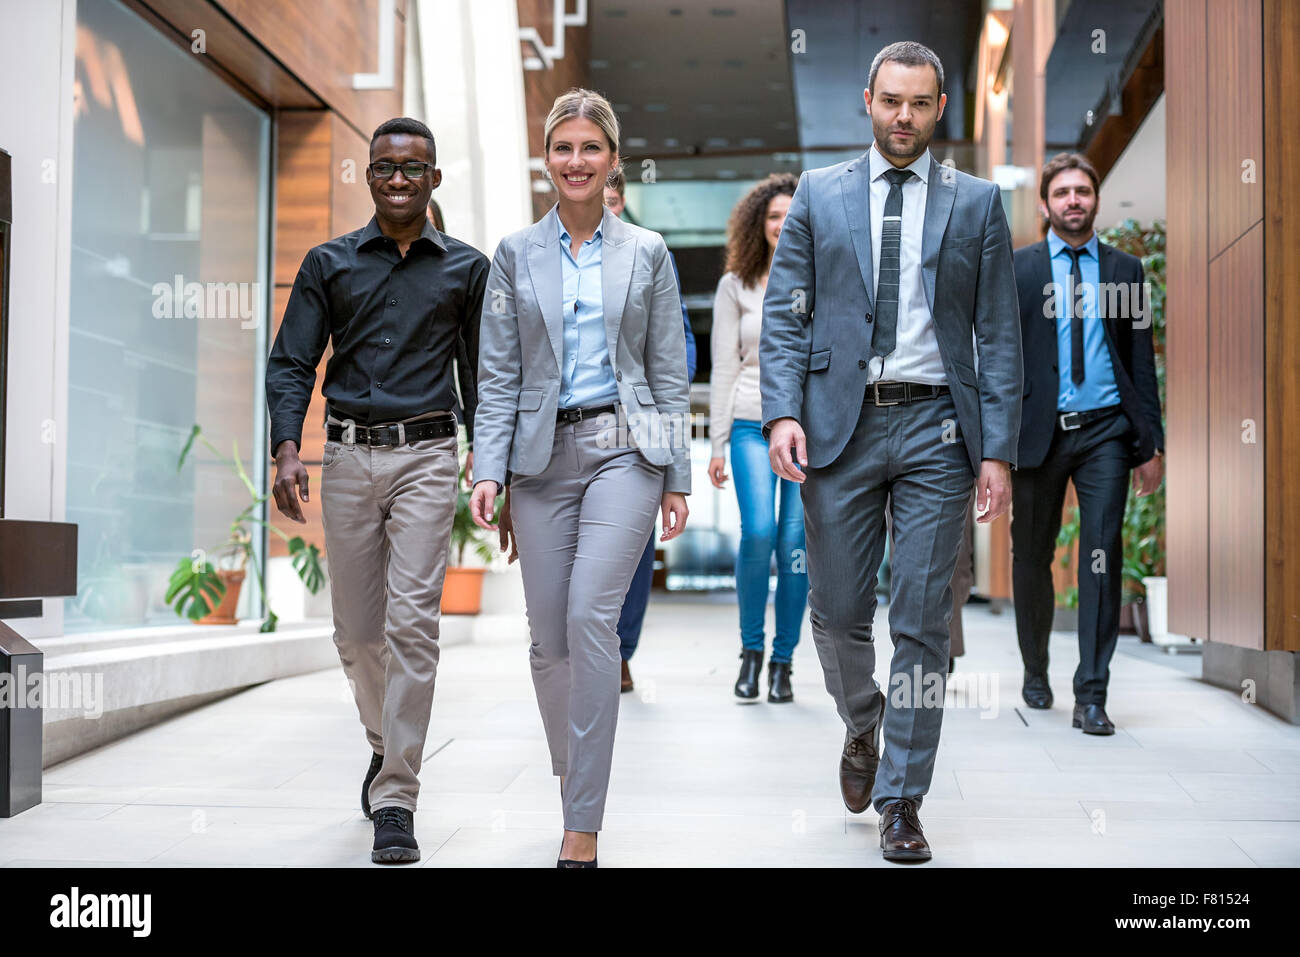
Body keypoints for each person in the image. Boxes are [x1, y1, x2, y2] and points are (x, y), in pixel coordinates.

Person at [760, 41, 1021, 863]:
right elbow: (784, 318)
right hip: (839, 423)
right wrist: (780, 415)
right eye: (890, 101)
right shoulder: (817, 193)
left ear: (941, 108)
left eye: (919, 103)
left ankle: (903, 797)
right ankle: (865, 722)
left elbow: (1000, 333)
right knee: (836, 613)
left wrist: (998, 449)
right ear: (867, 101)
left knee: (922, 618)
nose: (903, 117)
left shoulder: (976, 203)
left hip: (940, 427)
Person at [469, 88, 691, 868]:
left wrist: (676, 475)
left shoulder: (649, 251)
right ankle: (578, 780)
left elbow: (669, 367)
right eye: (562, 147)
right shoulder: (512, 253)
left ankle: (582, 824)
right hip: (538, 458)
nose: (575, 160)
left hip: (626, 447)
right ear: (547, 157)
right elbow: (497, 374)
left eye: (589, 147)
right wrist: (486, 468)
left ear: (613, 159)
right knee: (547, 637)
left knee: (592, 618)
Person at [266, 117, 487, 864]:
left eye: (413, 168)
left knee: (412, 625)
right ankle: (382, 741)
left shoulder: (467, 269)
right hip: (349, 457)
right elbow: (293, 361)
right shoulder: (329, 263)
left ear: (433, 179)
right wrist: (288, 446)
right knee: (358, 632)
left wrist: (491, 470)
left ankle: (397, 794)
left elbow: (481, 380)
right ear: (369, 176)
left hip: (428, 454)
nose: (399, 179)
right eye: (385, 167)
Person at [1011, 152, 1163, 734]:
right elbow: (1002, 359)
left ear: (1094, 199)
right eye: (1063, 192)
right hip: (1037, 434)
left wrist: (1148, 442)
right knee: (1032, 556)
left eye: (1082, 191)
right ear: (1046, 203)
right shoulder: (1020, 270)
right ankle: (1034, 667)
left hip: (1106, 431)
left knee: (1101, 556)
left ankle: (1092, 694)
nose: (1073, 200)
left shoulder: (1125, 270)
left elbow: (1140, 362)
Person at [709, 173, 809, 703]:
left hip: (808, 431)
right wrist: (718, 444)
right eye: (773, 216)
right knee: (760, 534)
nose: (782, 224)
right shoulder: (736, 285)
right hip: (750, 422)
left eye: (792, 215)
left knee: (797, 545)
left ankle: (783, 661)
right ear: (759, 224)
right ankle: (751, 651)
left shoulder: (819, 278)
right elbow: (724, 364)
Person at [603, 169, 697, 693]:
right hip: (565, 427)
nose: (608, 209)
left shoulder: (650, 257)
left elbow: (679, 340)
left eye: (616, 201)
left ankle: (620, 649)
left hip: (632, 424)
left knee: (635, 546)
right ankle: (587, 645)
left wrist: (660, 386)